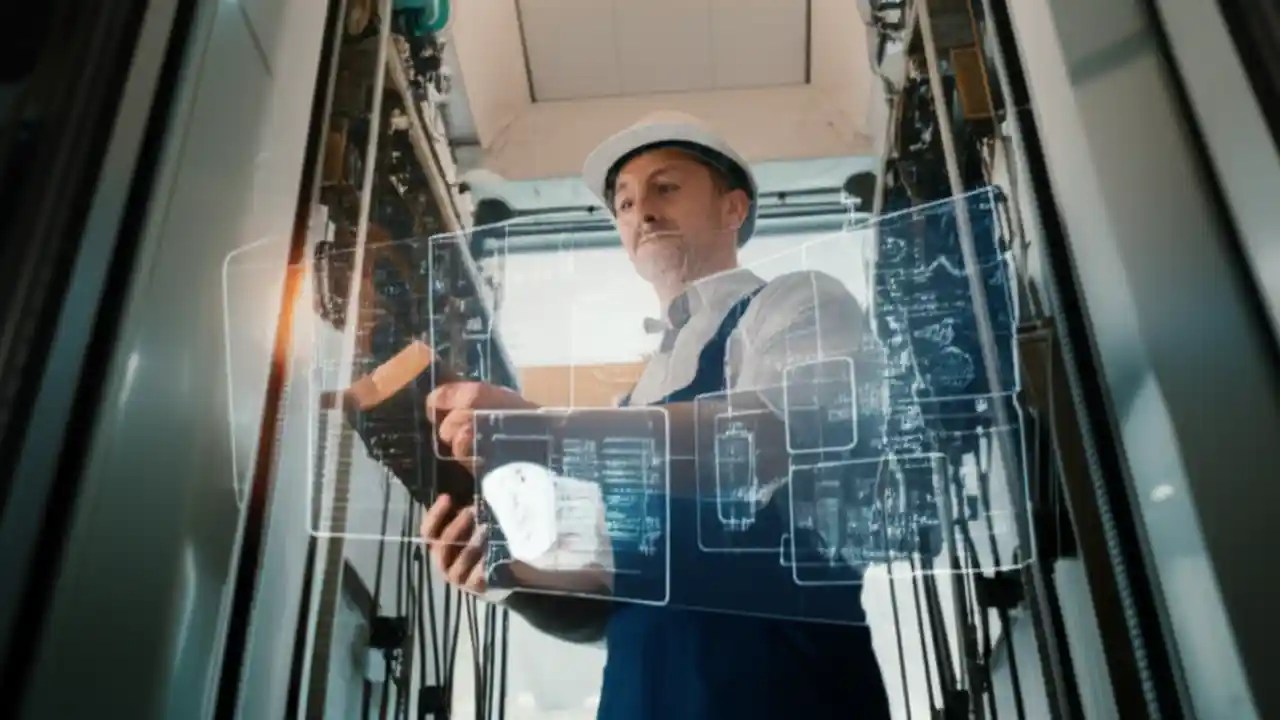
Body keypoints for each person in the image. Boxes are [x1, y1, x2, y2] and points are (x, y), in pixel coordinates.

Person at [420, 111, 890, 719]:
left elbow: (769, 437)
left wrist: (548, 431)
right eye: (623, 202)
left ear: (733, 209)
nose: (640, 211)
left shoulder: (799, 302)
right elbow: (612, 578)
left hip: (785, 690)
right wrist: (508, 568)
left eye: (666, 186)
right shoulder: (636, 400)